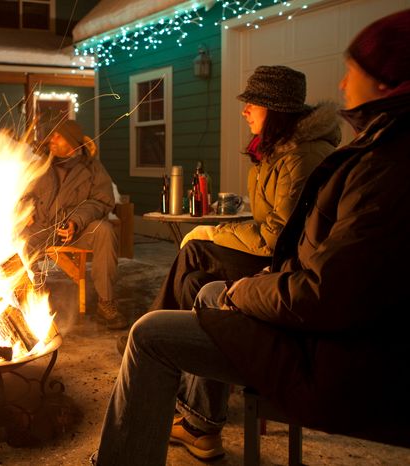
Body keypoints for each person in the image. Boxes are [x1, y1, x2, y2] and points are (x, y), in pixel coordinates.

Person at [94, 9, 410, 465]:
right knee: (199, 278)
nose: (341, 85)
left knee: (164, 317)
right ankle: (199, 420)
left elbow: (313, 276)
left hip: (332, 353)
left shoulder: (375, 165)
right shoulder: (367, 151)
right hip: (312, 313)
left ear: (383, 83)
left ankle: (177, 398)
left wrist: (247, 291)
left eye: (350, 72)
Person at [117, 65, 341, 354]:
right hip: (274, 255)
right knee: (193, 282)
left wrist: (214, 231)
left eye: (252, 103)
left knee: (196, 249)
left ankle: (147, 336)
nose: (244, 110)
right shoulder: (275, 152)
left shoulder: (301, 157)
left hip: (287, 264)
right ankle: (177, 350)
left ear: (275, 108)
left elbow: (277, 236)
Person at [23, 119, 126, 329]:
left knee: (104, 230)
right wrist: (24, 210)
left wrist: (75, 221)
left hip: (76, 229)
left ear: (71, 142)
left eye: (58, 135)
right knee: (14, 240)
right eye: (52, 135)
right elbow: (21, 193)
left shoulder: (93, 169)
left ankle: (105, 303)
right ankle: (26, 301)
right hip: (41, 227)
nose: (52, 139)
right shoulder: (40, 165)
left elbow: (101, 201)